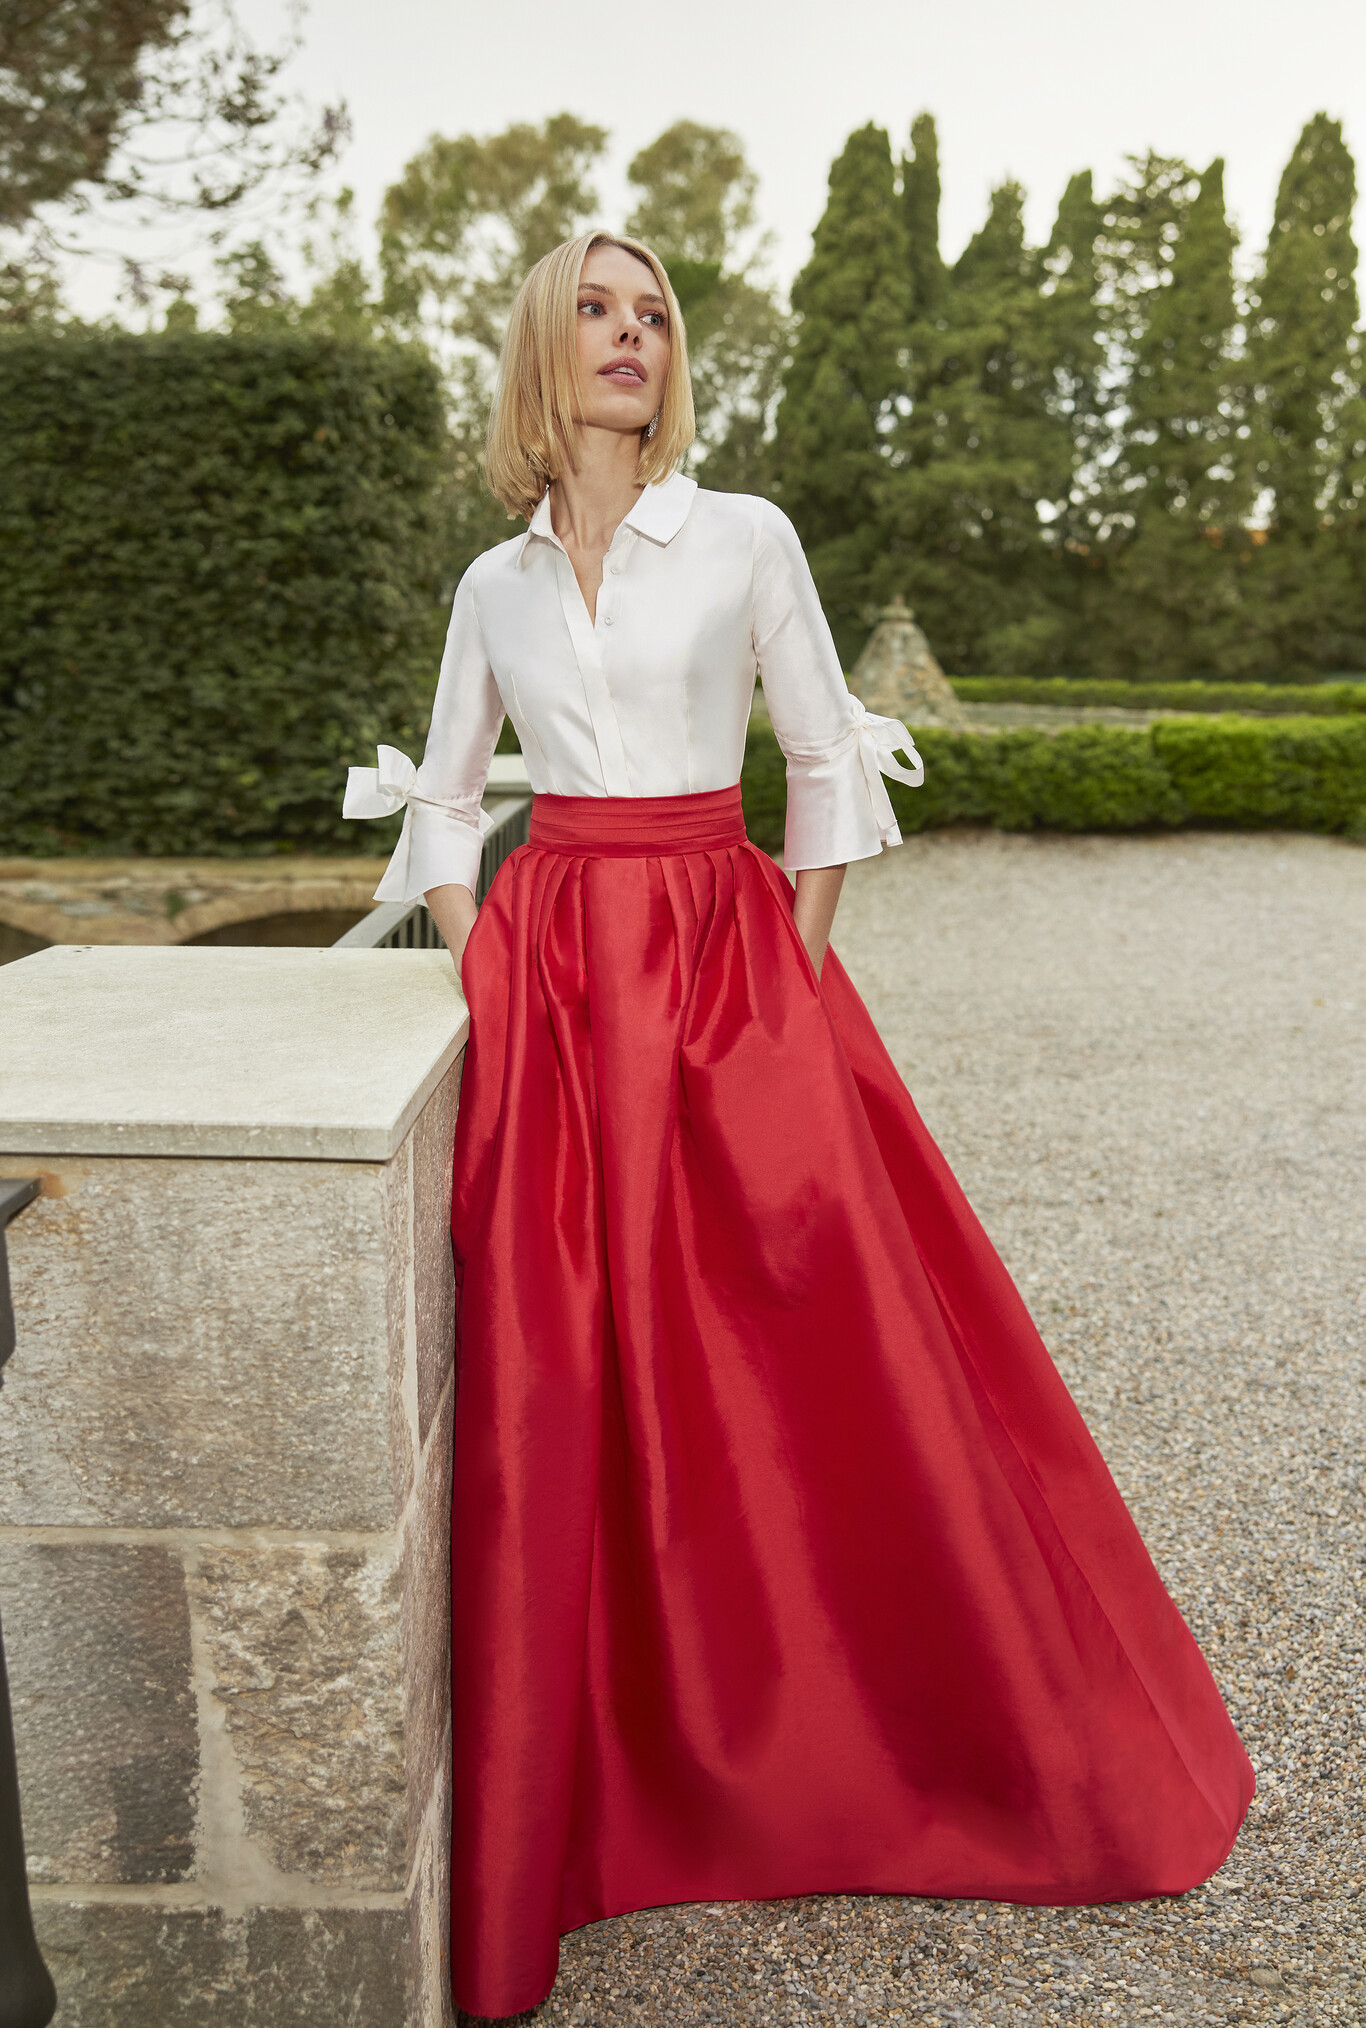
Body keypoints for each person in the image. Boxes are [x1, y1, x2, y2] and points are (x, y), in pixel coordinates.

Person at [344, 229, 1254, 2022]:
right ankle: (615, 1791)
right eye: (595, 313)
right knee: (574, 1369)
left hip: (724, 955)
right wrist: (490, 955)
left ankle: (878, 1740)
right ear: (542, 353)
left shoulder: (745, 535)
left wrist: (789, 969)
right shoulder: (491, 587)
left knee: (812, 1342)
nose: (630, 337)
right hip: (561, 988)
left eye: (653, 314)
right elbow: (448, 801)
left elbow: (826, 757)